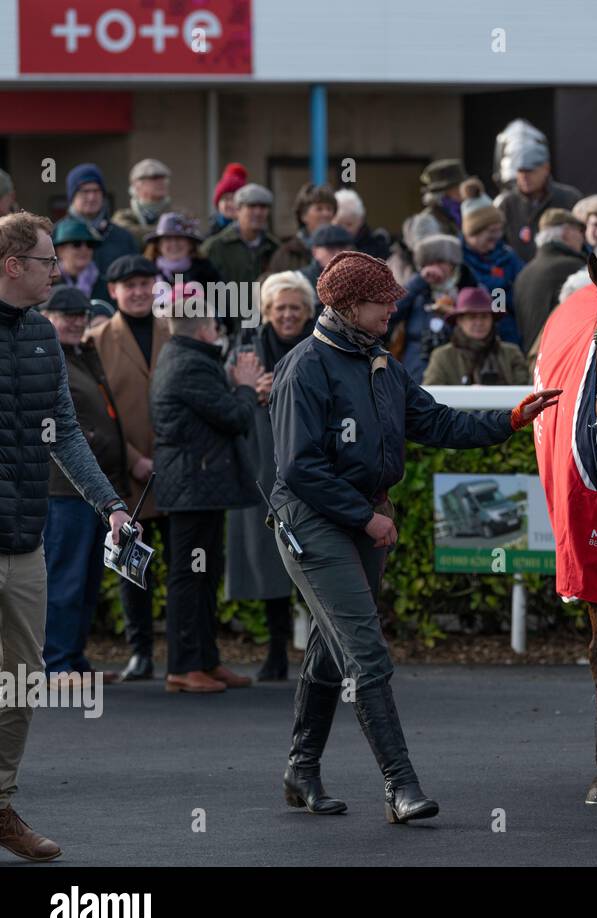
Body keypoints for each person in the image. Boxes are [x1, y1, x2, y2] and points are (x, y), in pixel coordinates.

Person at [268, 251, 559, 822]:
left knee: (334, 646)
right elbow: (299, 468)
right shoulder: (305, 367)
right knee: (368, 654)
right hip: (312, 522)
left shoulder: (381, 361)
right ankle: (400, 788)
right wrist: (366, 516)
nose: (394, 311)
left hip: (355, 517)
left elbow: (436, 421)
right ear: (351, 307)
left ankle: (301, 770)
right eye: (384, 303)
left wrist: (510, 421)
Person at [0, 212, 132, 862]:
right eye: (49, 261)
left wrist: (109, 502)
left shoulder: (42, 339)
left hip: (25, 537)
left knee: (24, 680)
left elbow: (64, 432)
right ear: (12, 264)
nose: (59, 271)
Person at [149, 292, 263, 693]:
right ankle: (184, 666)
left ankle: (205, 660)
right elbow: (234, 418)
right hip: (192, 489)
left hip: (198, 487)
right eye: (214, 323)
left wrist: (233, 385)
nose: (218, 329)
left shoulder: (189, 359)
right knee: (190, 576)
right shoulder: (190, 365)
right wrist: (246, 387)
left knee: (204, 573)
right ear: (203, 327)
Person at [85, 255, 173, 681]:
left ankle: (187, 654)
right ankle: (140, 652)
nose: (138, 291)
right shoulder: (96, 340)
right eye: (129, 285)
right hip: (127, 474)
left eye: (145, 283)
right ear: (113, 291)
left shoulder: (175, 331)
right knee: (132, 568)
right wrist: (134, 456)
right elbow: (96, 414)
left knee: (186, 568)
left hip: (175, 472)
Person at [227, 272, 316, 681]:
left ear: (308, 311)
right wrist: (247, 388)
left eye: (295, 307)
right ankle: (276, 648)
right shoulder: (246, 347)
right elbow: (226, 391)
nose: (287, 315)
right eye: (279, 308)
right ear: (265, 311)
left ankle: (324, 652)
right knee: (269, 558)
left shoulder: (321, 343)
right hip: (263, 460)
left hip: (313, 461)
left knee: (318, 558)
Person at [39, 287, 130, 685]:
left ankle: (74, 658)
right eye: (66, 314)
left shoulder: (82, 354)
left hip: (93, 490)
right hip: (62, 489)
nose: (76, 319)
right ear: (47, 317)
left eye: (81, 313)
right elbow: (56, 425)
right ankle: (55, 663)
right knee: (65, 579)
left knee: (88, 580)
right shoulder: (49, 356)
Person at [389, 234, 476, 382]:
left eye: (440, 261)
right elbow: (391, 312)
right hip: (416, 373)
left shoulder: (469, 289)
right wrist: (418, 282)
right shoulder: (416, 292)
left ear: (453, 264)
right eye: (429, 262)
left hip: (457, 371)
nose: (434, 268)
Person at [511, 207, 586, 355]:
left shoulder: (524, 273)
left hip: (532, 360)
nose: (582, 238)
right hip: (560, 357)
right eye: (579, 231)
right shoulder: (574, 268)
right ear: (567, 233)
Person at [422, 286, 530, 387]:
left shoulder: (511, 354)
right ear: (460, 321)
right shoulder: (442, 357)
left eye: (484, 317)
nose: (479, 322)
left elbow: (526, 393)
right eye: (472, 317)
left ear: (492, 320)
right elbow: (431, 399)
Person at [494, 142, 582, 262]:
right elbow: (497, 244)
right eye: (520, 171)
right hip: (519, 276)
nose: (524, 176)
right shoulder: (506, 204)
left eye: (530, 170)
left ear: (546, 168)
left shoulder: (569, 198)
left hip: (564, 271)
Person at [459, 189, 524, 345]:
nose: (495, 240)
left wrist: (502, 297)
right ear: (472, 233)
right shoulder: (456, 258)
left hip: (507, 336)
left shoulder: (507, 256)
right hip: (467, 337)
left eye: (498, 232)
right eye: (490, 233)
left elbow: (524, 291)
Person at [63, 163, 139, 272]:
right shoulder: (57, 236)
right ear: (72, 196)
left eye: (96, 191)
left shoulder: (123, 237)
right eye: (85, 191)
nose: (92, 197)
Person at [200, 183, 280, 284]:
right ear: (238, 210)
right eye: (251, 206)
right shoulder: (214, 248)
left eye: (263, 207)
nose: (258, 212)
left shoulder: (274, 247)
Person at [143, 212, 221, 308]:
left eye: (179, 238)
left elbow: (220, 308)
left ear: (191, 244)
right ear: (158, 245)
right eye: (168, 239)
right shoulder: (146, 272)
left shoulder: (207, 273)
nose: (174, 244)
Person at [268, 183, 337, 274]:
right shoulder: (286, 253)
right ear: (303, 215)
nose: (326, 214)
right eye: (319, 209)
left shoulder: (344, 248)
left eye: (329, 209)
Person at [111, 159, 173, 244]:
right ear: (137, 185)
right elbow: (124, 235)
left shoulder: (179, 214)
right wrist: (166, 232)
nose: (161, 182)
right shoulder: (122, 216)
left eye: (163, 178)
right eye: (154, 178)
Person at [298, 223, 354, 312]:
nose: (338, 254)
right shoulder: (300, 280)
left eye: (343, 248)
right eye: (330, 249)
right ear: (315, 252)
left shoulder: (360, 278)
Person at [51, 218, 110, 302]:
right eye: (76, 244)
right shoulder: (48, 284)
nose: (84, 249)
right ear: (60, 250)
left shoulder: (106, 286)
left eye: (89, 244)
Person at [332, 189, 391, 261]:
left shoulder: (377, 247)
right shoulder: (323, 247)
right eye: (339, 224)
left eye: (349, 224)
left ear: (360, 221)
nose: (343, 229)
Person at [208, 162, 248, 237]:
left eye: (233, 199)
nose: (229, 203)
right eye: (225, 199)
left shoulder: (250, 234)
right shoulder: (210, 235)